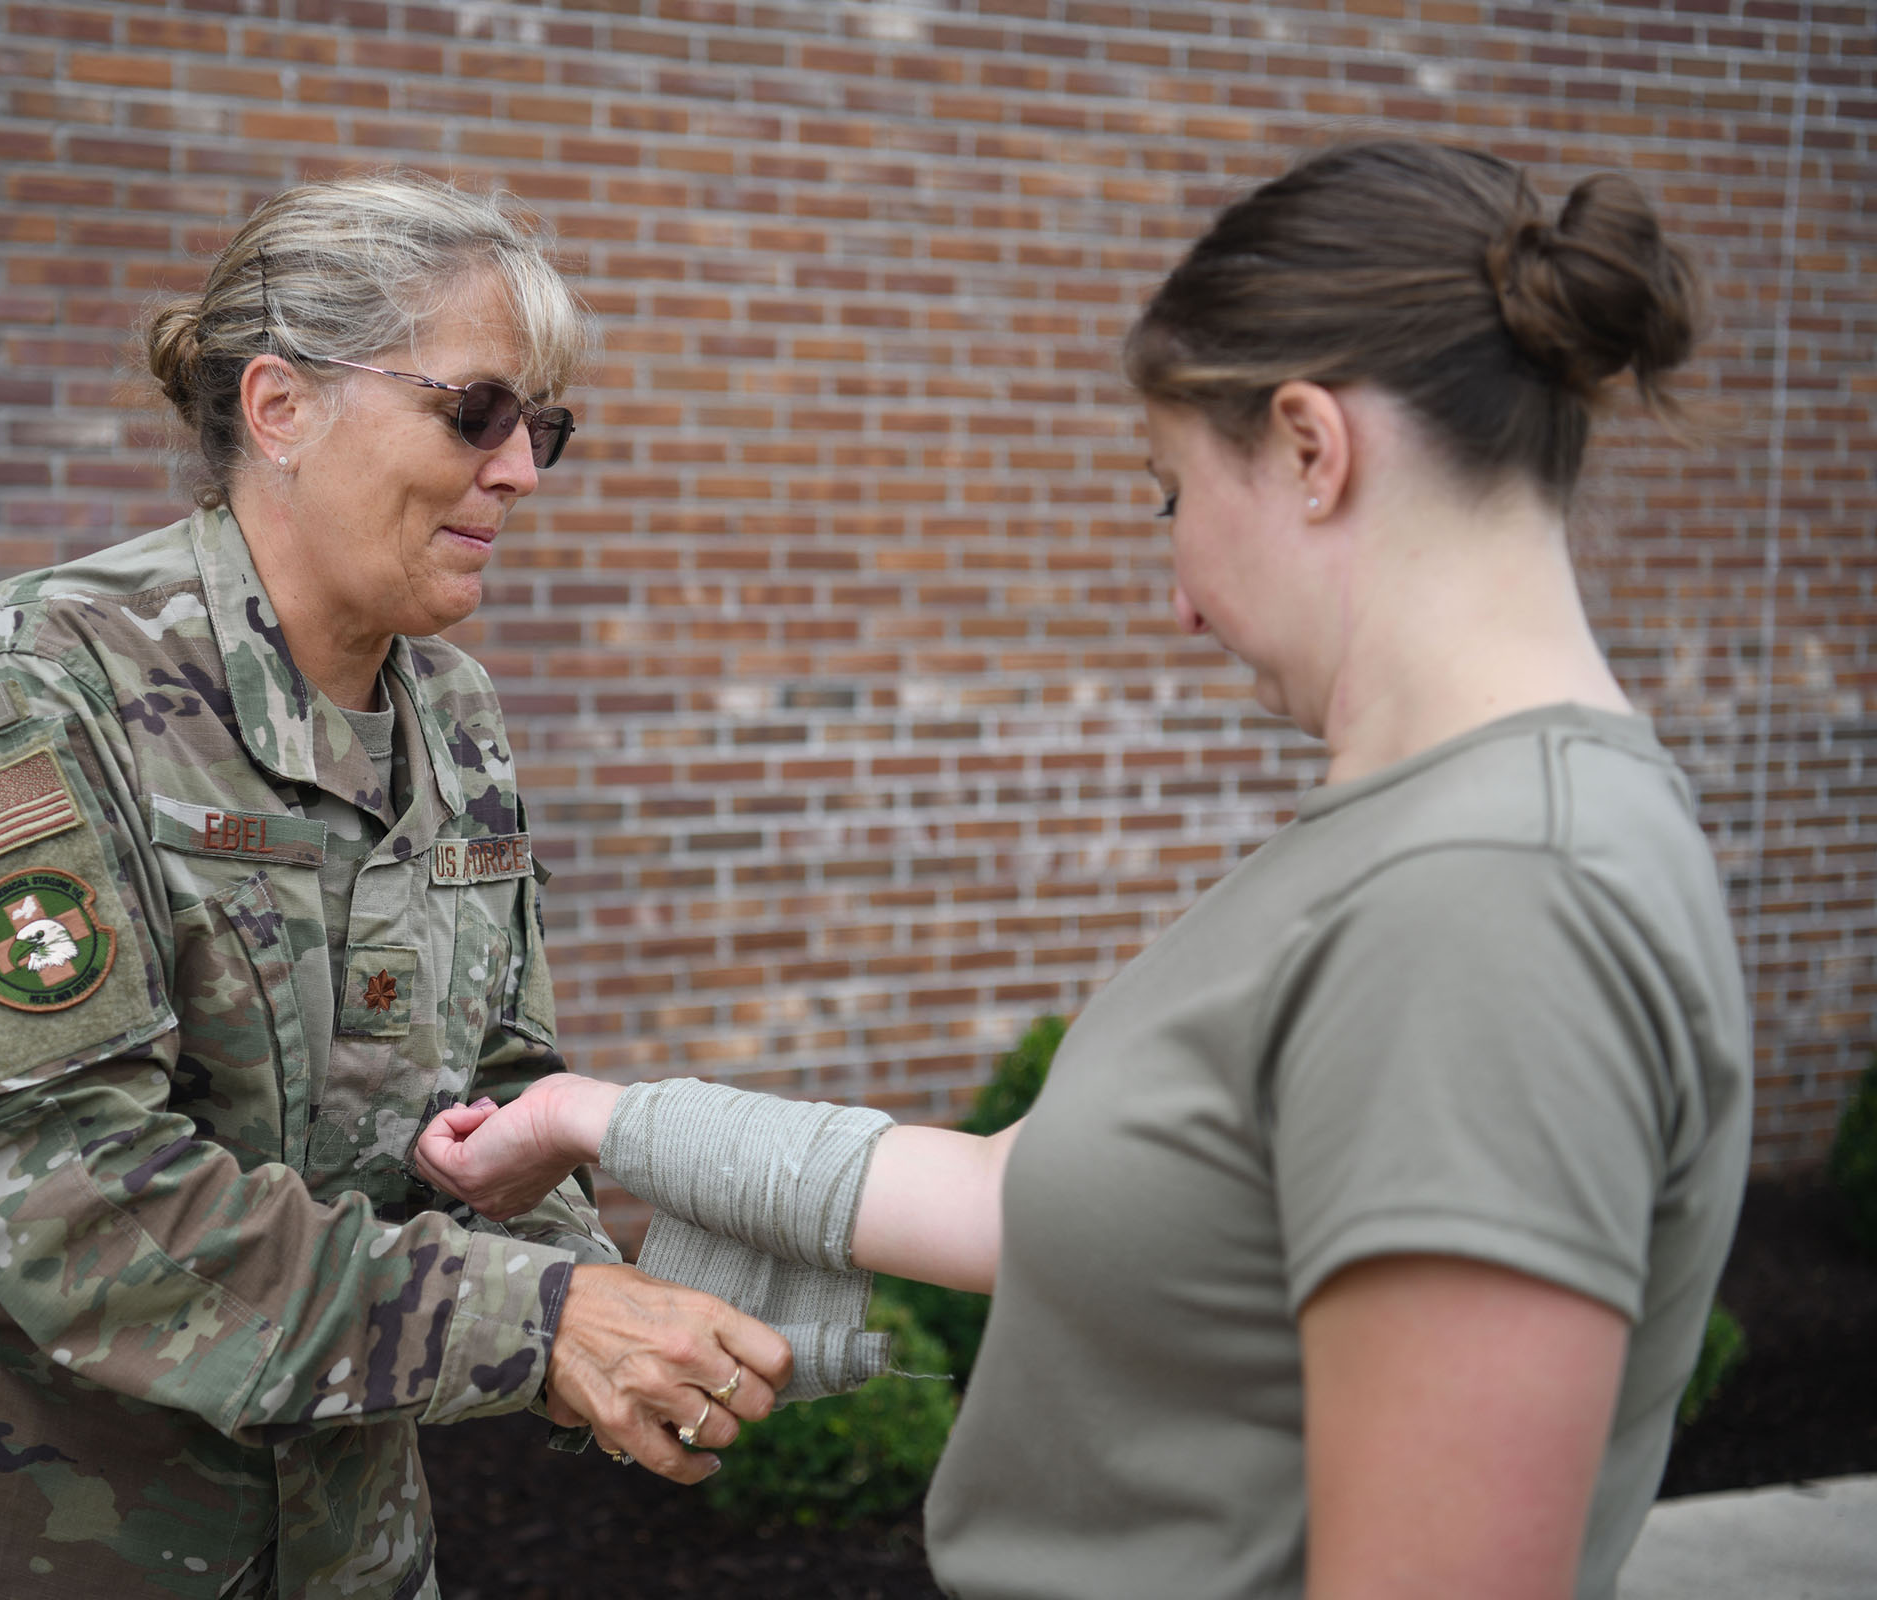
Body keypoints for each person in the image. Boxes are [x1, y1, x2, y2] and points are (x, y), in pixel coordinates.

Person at [416, 139, 1751, 1600]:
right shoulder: (1435, 845)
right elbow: (1027, 1194)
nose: (1179, 599)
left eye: (1170, 494)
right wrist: (604, 1120)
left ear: (1313, 449)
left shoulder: (1496, 902)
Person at [0, 174, 790, 1600]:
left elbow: (489, 1097)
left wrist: (609, 1315)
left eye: (545, 428)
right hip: (11, 1557)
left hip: (342, 1558)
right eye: (475, 412)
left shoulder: (453, 715)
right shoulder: (26, 697)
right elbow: (79, 1202)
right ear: (281, 406)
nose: (523, 472)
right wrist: (538, 1323)